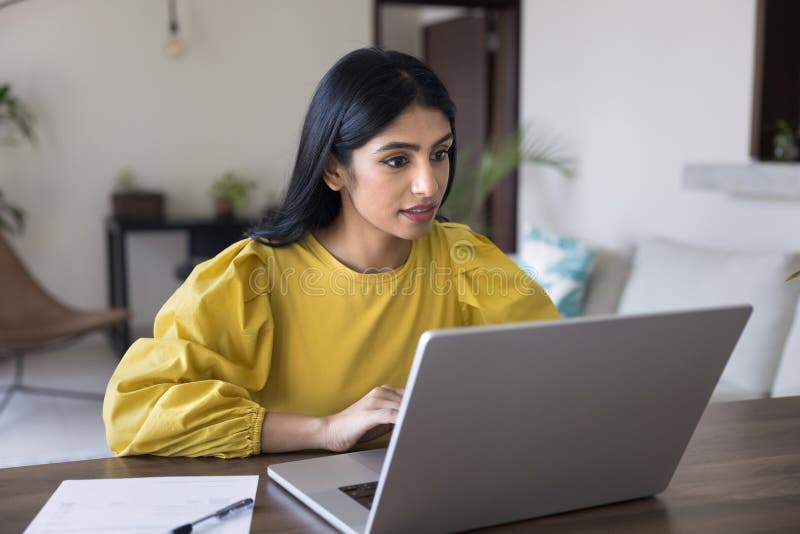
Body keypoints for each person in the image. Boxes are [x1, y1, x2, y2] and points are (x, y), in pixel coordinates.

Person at [103, 47, 559, 459]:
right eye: (397, 160)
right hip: (285, 503)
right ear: (334, 169)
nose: (429, 184)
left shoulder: (469, 260)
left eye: (439, 154)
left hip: (433, 488)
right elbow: (134, 411)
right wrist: (325, 430)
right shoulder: (250, 277)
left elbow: (560, 377)